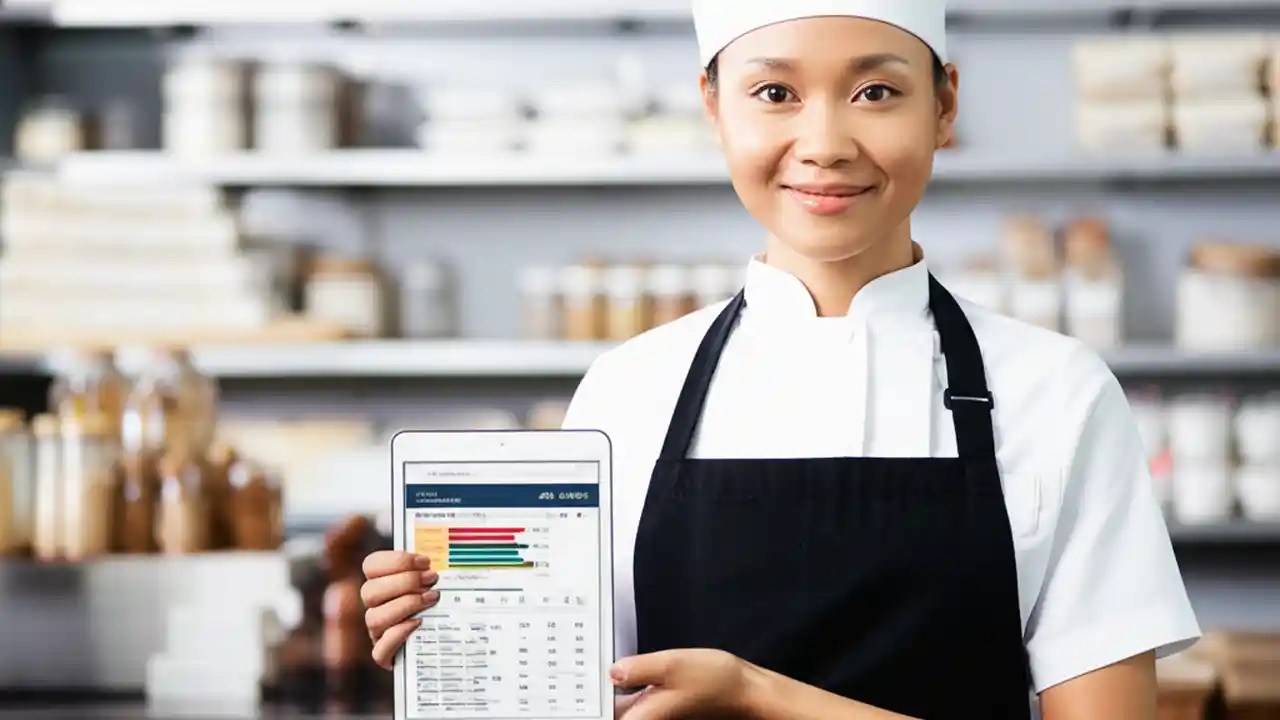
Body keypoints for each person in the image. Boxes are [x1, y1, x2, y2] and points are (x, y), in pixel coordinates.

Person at [361, 1, 1201, 717]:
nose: (826, 142)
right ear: (714, 106)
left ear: (944, 106)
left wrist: (766, 698)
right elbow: (574, 696)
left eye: (876, 91)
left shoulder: (1056, 394)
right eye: (774, 92)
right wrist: (458, 643)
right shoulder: (629, 389)